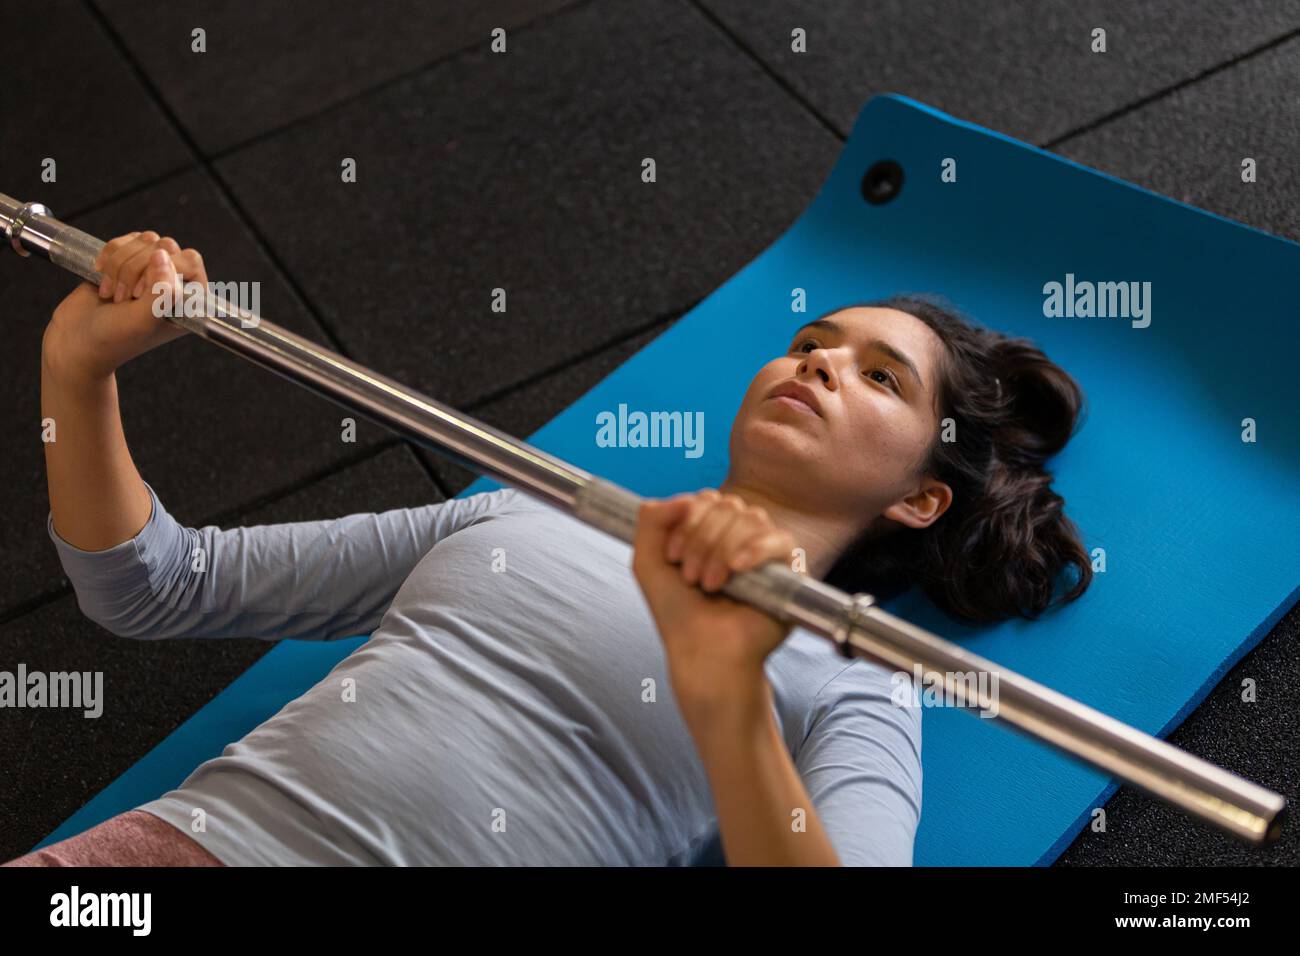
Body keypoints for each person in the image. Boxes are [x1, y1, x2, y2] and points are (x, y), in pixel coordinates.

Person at [5, 231, 1091, 867]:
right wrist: (75, 368)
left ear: (917, 497)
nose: (817, 365)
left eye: (879, 376)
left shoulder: (857, 674)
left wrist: (725, 690)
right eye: (812, 343)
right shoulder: (529, 510)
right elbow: (155, 585)